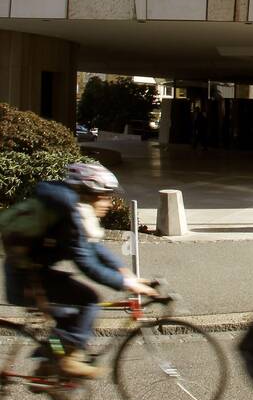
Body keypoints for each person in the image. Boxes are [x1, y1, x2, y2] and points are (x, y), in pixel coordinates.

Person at [1, 162, 158, 379]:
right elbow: (87, 264)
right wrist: (125, 283)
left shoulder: (73, 210)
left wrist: (124, 272)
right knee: (89, 299)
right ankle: (67, 362)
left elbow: (94, 247)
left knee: (68, 315)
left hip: (31, 272)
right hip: (25, 279)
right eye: (105, 196)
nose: (109, 203)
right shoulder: (70, 215)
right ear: (89, 194)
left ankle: (50, 364)